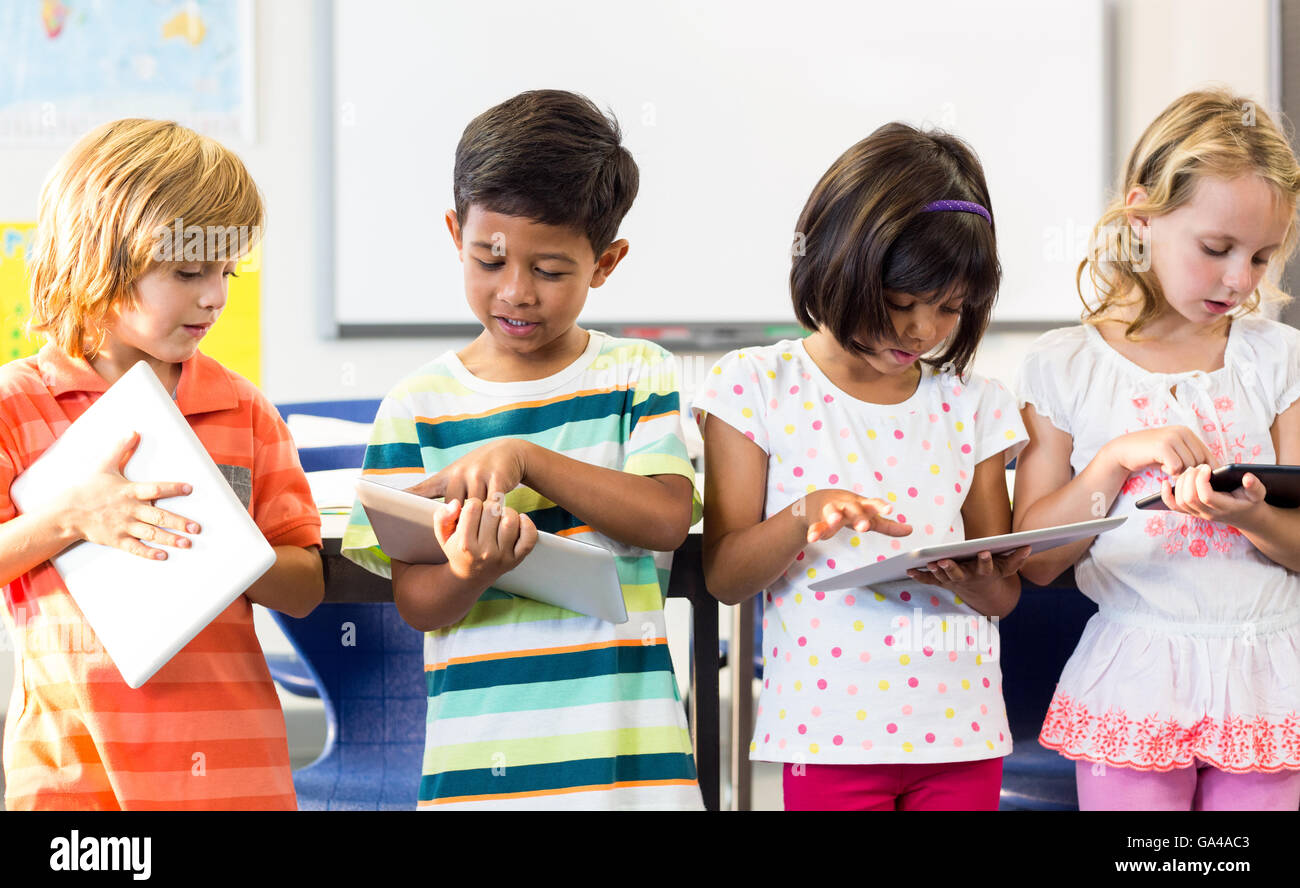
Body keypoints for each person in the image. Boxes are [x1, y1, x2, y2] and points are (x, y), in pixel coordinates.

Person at [341, 89, 702, 809]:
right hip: (481, 768)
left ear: (606, 263)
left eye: (550, 270)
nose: (516, 292)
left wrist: (527, 457)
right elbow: (417, 602)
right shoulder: (416, 406)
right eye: (490, 259)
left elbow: (665, 519)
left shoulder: (636, 373)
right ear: (455, 233)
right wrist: (472, 571)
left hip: (628, 768)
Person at [694, 123, 1029, 810]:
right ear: (837, 267)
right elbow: (726, 578)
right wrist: (802, 515)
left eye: (949, 309)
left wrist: (977, 580)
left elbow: (1004, 595)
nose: (922, 331)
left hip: (962, 732)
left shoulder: (975, 406)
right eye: (901, 304)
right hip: (828, 736)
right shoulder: (756, 385)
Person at [0, 118, 323, 810]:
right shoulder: (16, 403)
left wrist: (231, 550)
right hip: (72, 782)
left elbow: (305, 585)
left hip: (236, 779)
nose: (215, 297)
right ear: (99, 259)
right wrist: (71, 517)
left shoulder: (244, 411)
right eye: (187, 272)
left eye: (226, 270)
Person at [1013, 87, 1300, 810]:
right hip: (1134, 678)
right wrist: (1113, 460)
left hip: (1271, 678)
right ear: (1142, 217)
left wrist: (1248, 515)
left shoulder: (1280, 360)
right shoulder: (1063, 367)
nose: (1240, 280)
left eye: (1263, 258)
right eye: (1216, 249)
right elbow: (1036, 560)